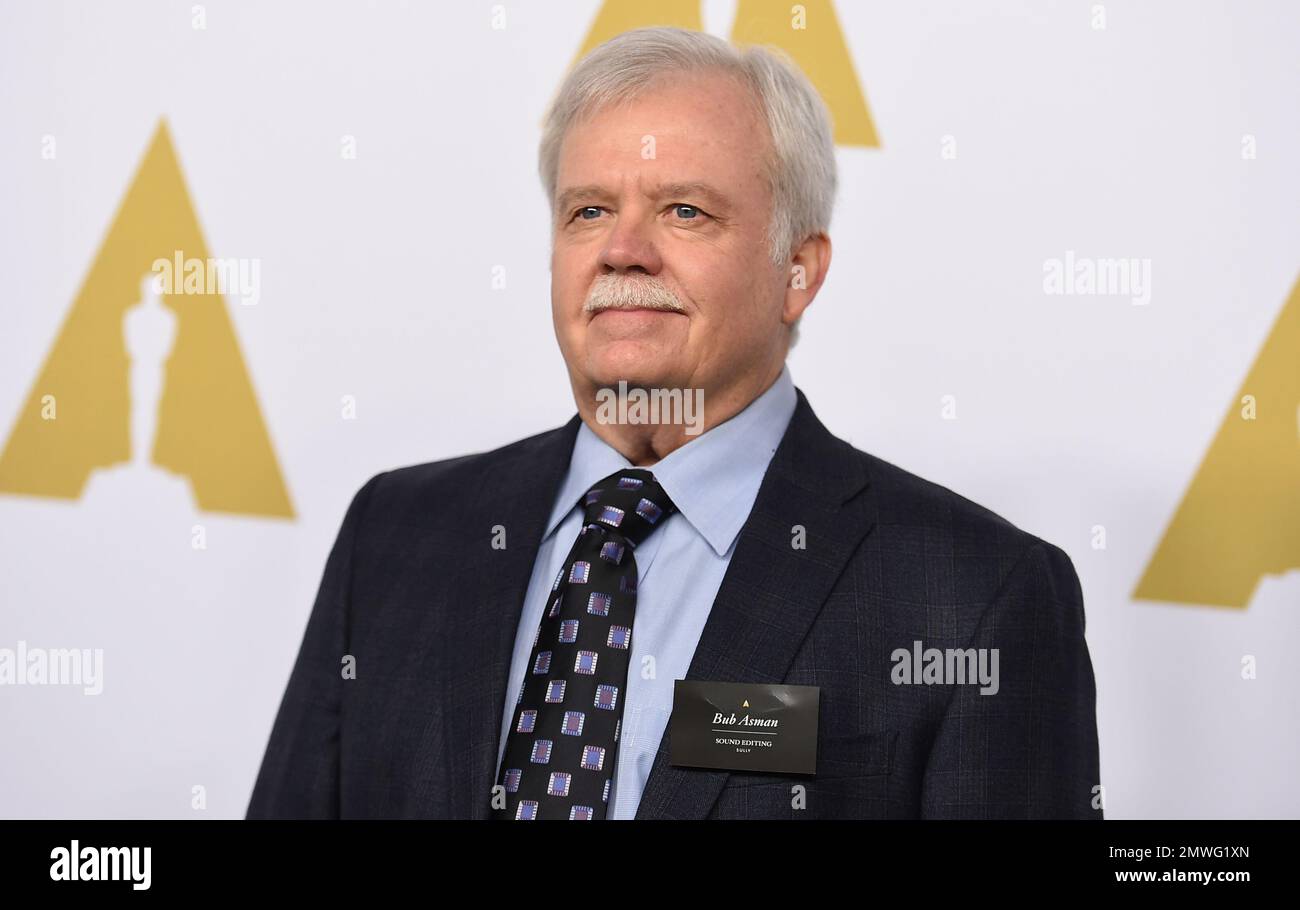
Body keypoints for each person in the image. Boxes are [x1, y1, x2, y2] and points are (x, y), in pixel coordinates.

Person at [247, 26, 1101, 820]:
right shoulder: (396, 534)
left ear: (797, 271)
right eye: (588, 211)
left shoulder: (973, 596)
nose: (623, 250)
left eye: (684, 211)